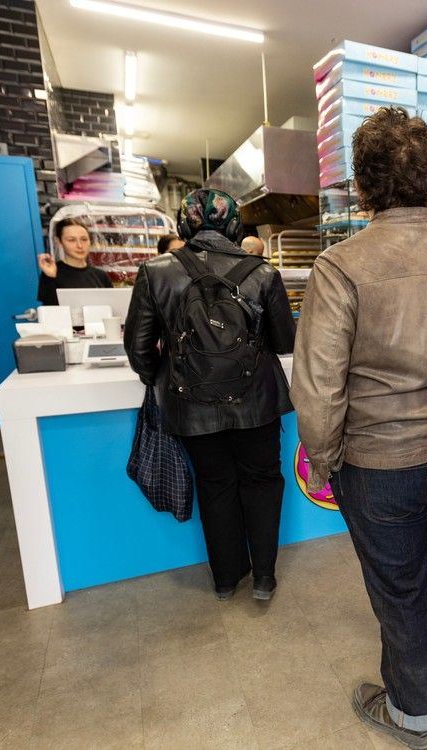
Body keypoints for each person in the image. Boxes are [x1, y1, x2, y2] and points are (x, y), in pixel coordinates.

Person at [291, 107, 427, 749]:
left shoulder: (340, 266)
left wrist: (324, 460)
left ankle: (415, 715)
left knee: (398, 590)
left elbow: (319, 386)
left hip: (379, 464)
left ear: (363, 185)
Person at [124, 189, 296, 601]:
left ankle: (225, 579)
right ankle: (264, 578)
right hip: (257, 404)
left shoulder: (155, 272)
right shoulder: (263, 273)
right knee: (262, 482)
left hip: (191, 407)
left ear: (183, 226)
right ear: (235, 227)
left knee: (215, 485)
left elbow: (138, 347)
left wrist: (157, 377)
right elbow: (284, 341)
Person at [37, 218, 112, 306]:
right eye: (71, 240)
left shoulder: (101, 276)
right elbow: (50, 311)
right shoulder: (52, 274)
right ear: (59, 242)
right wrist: (51, 277)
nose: (79, 246)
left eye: (84, 239)